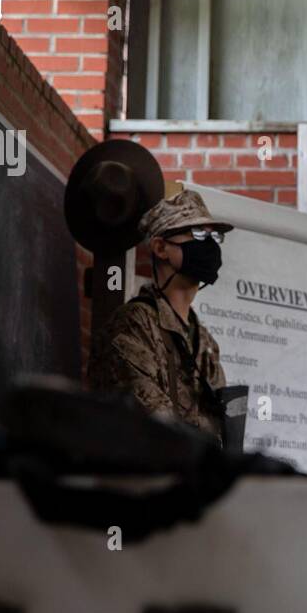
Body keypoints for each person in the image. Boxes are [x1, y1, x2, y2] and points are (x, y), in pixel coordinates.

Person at [88, 190, 233, 443]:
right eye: (197, 234)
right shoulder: (133, 325)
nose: (208, 244)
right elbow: (151, 427)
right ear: (160, 248)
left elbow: (222, 431)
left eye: (213, 236)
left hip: (195, 478)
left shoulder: (205, 342)